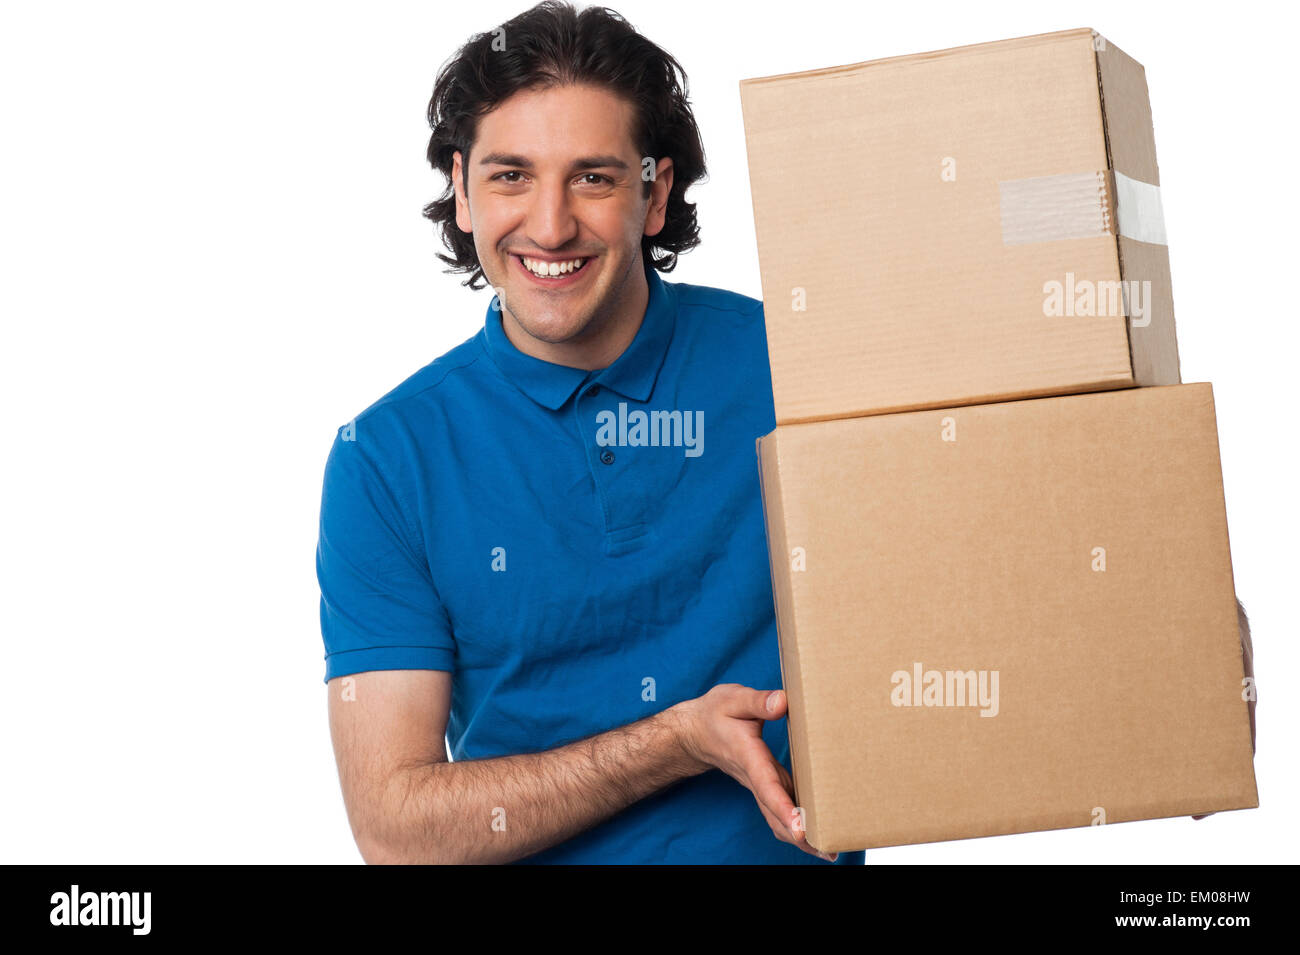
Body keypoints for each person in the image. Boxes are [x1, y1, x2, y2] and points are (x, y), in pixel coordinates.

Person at [316, 0, 859, 864]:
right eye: (510, 176)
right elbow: (395, 827)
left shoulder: (799, 364)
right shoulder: (386, 460)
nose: (550, 224)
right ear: (460, 192)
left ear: (655, 194)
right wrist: (674, 742)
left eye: (594, 178)